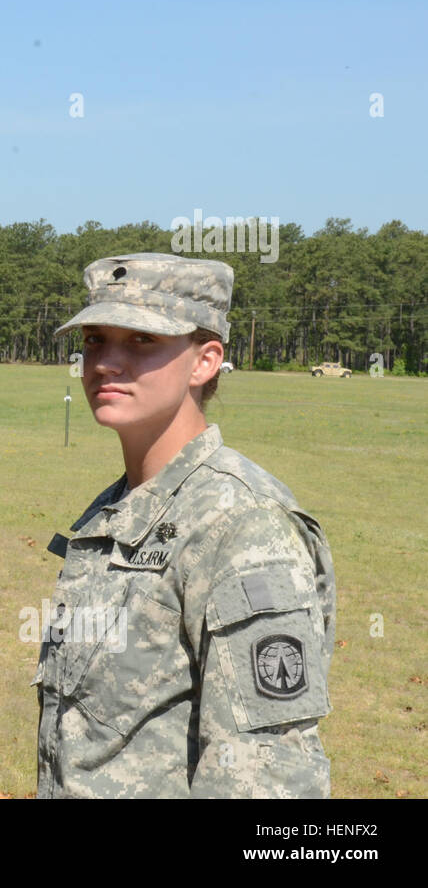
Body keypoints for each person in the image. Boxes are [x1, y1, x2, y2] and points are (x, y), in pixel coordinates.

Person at [37, 252, 335, 797]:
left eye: (142, 341)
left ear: (205, 361)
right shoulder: (119, 508)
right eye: (95, 340)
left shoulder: (242, 525)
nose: (106, 361)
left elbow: (267, 779)